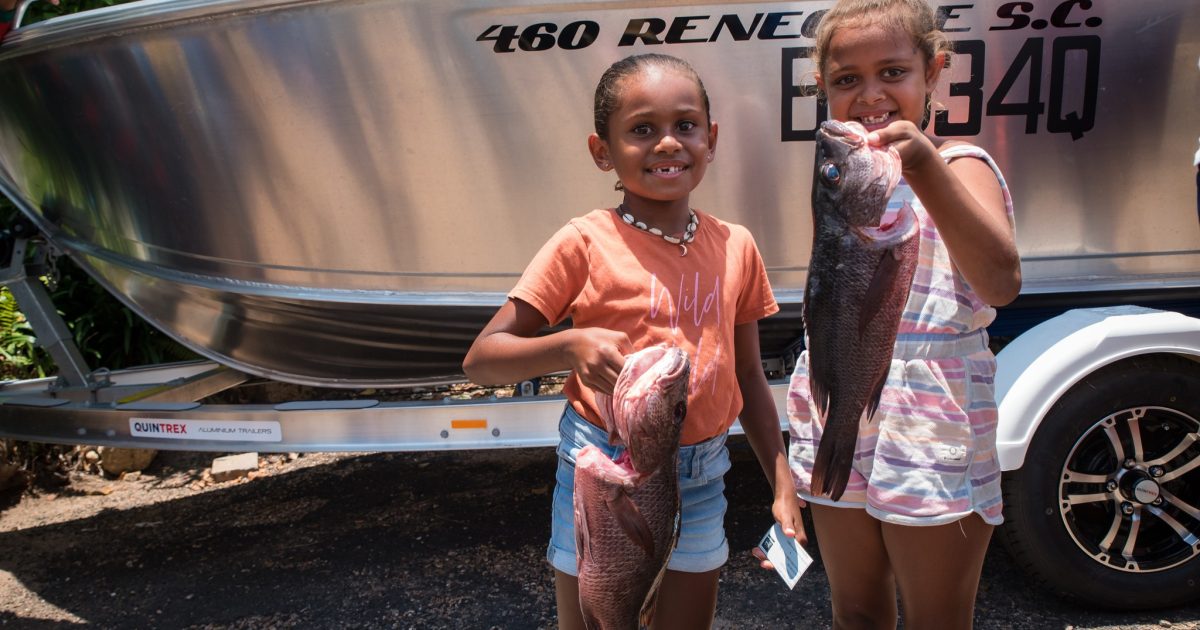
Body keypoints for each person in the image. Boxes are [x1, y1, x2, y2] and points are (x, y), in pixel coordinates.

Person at [462, 53, 805, 630]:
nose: (668, 143)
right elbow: (481, 359)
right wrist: (565, 348)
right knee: (603, 618)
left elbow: (749, 376)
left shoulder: (737, 245)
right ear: (603, 152)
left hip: (701, 475)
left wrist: (783, 484)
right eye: (642, 130)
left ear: (711, 139)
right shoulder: (583, 243)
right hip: (604, 475)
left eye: (685, 126)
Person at [761, 0, 1022, 628]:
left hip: (931, 411)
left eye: (893, 72)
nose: (871, 94)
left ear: (933, 72)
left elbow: (1001, 282)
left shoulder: (961, 166)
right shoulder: (851, 169)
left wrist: (925, 163)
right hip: (841, 391)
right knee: (854, 609)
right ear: (822, 87)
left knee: (937, 616)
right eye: (847, 79)